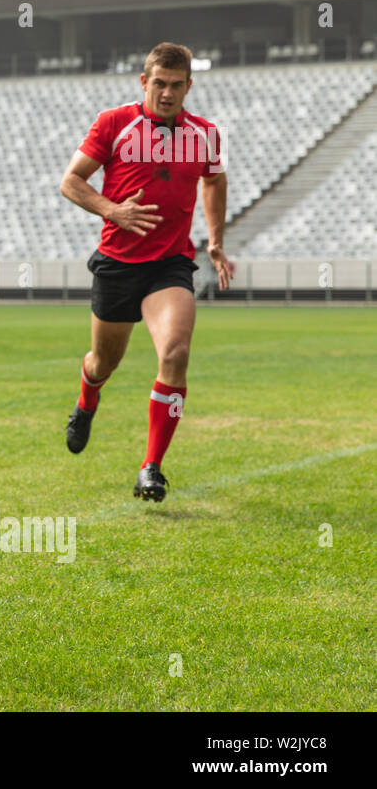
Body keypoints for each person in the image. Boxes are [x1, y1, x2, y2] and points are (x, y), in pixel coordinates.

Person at [59, 42, 234, 502]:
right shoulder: (114, 123)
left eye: (177, 85)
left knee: (175, 353)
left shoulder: (206, 134)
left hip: (169, 265)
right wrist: (112, 210)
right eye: (159, 83)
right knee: (104, 363)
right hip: (117, 263)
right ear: (144, 82)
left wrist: (215, 241)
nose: (168, 93)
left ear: (189, 87)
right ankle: (86, 399)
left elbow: (214, 180)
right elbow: (71, 181)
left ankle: (150, 467)